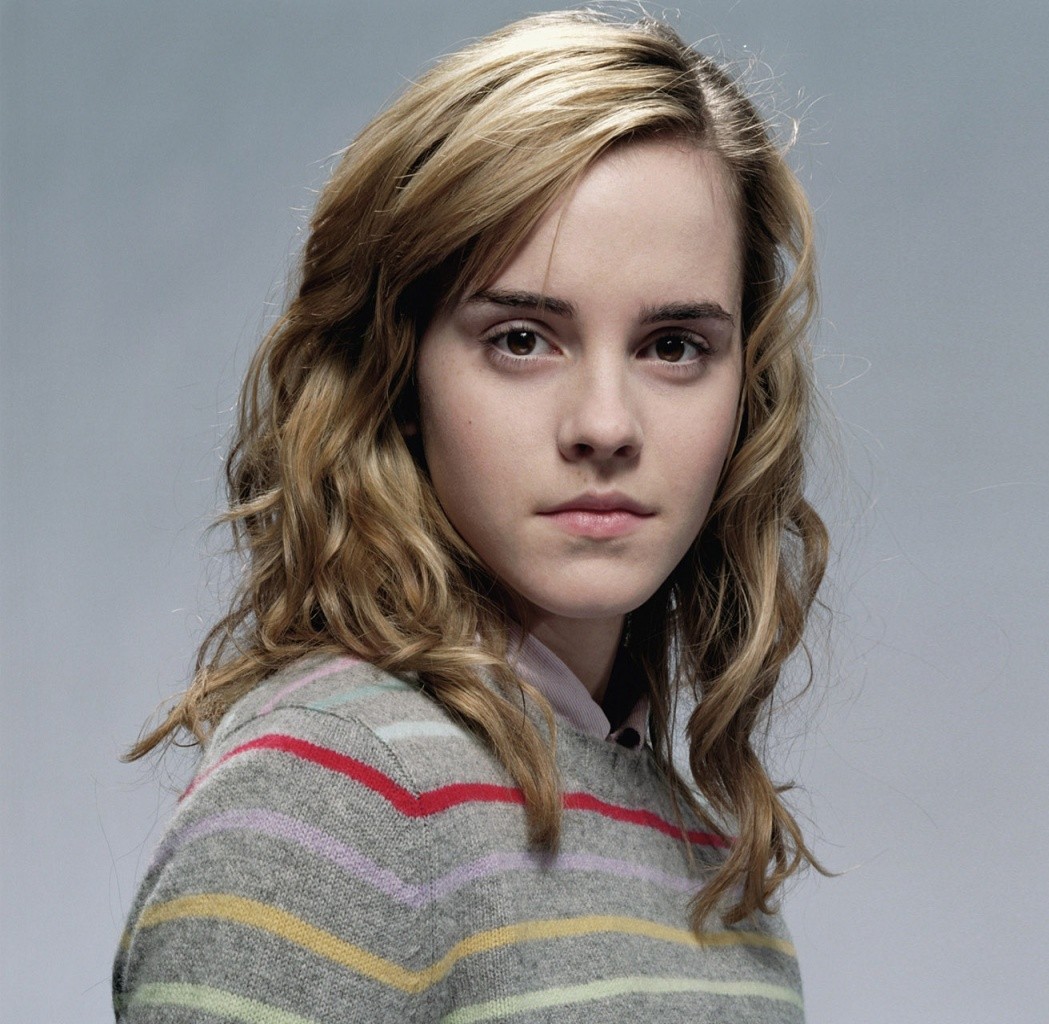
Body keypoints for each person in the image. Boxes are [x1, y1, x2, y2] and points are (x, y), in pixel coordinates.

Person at [113, 10, 829, 1022]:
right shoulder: (329, 796)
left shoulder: (712, 861)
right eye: (522, 338)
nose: (604, 425)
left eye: (673, 346)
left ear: (743, 393)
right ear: (397, 373)